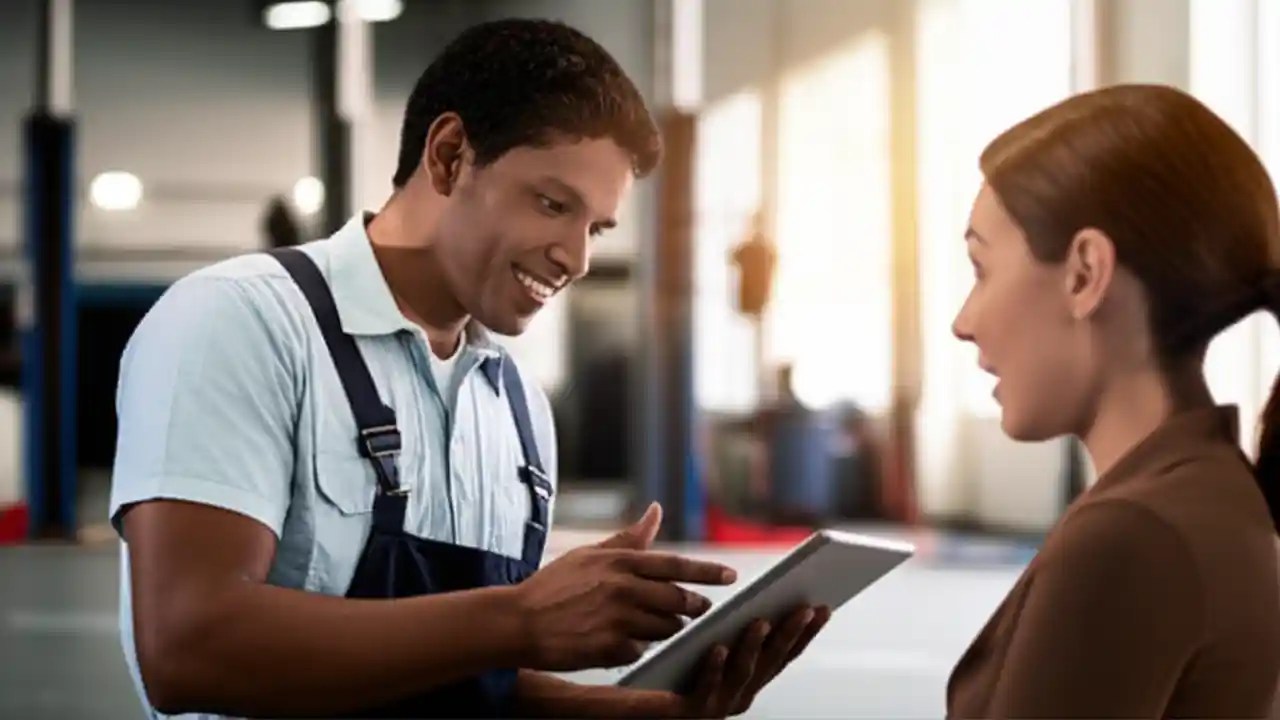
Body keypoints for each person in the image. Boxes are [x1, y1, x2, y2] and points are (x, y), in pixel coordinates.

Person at [109, 18, 828, 720]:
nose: (576, 259)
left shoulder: (515, 409)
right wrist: (519, 617)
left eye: (596, 229)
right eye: (553, 204)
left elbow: (458, 683)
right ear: (450, 155)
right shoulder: (242, 323)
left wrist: (637, 710)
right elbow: (188, 646)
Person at [946, 83, 1280, 718]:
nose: (964, 322)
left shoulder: (1129, 537)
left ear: (1085, 274)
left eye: (981, 269)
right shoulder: (1215, 493)